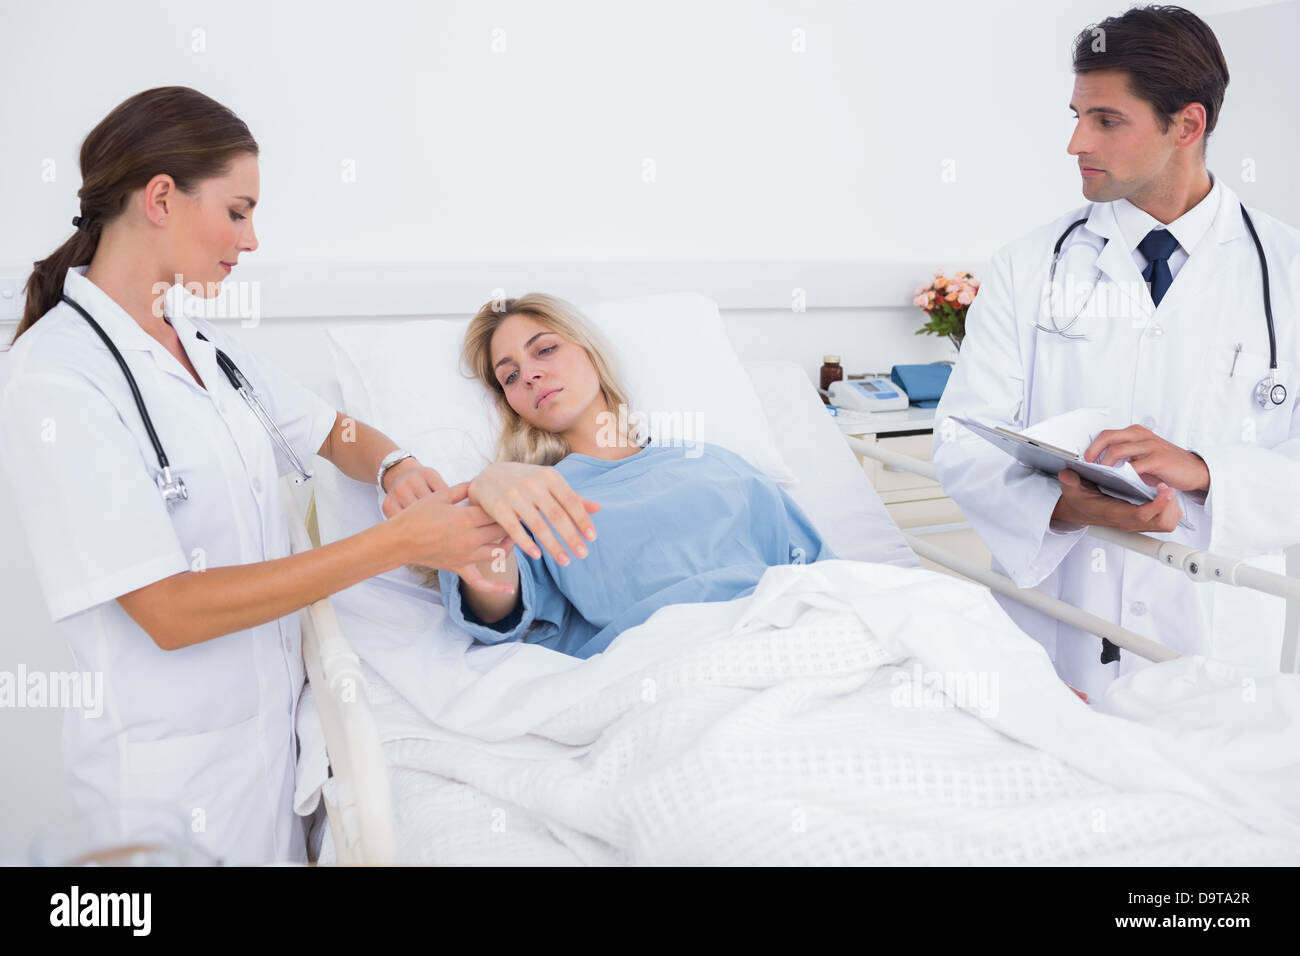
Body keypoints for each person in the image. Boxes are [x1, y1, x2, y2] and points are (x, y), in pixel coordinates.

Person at [0, 87, 597, 864]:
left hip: (266, 767)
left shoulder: (200, 342)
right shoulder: (56, 377)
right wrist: (399, 544)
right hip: (157, 790)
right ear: (159, 199)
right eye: (238, 210)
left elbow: (332, 431)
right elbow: (168, 612)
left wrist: (394, 464)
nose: (250, 241)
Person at [932, 6, 1300, 700]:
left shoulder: (1288, 271)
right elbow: (960, 440)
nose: (1075, 141)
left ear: (1186, 126)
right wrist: (1071, 510)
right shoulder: (1028, 265)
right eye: (1075, 114)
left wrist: (1205, 471)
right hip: (1056, 643)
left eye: (1106, 119)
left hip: (1218, 653)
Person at [425, 293, 834, 658]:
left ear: (591, 354)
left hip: (796, 637)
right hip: (665, 665)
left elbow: (828, 578)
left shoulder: (713, 462)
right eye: (510, 376)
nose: (529, 374)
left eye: (545, 349)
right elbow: (493, 609)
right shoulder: (532, 498)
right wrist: (486, 493)